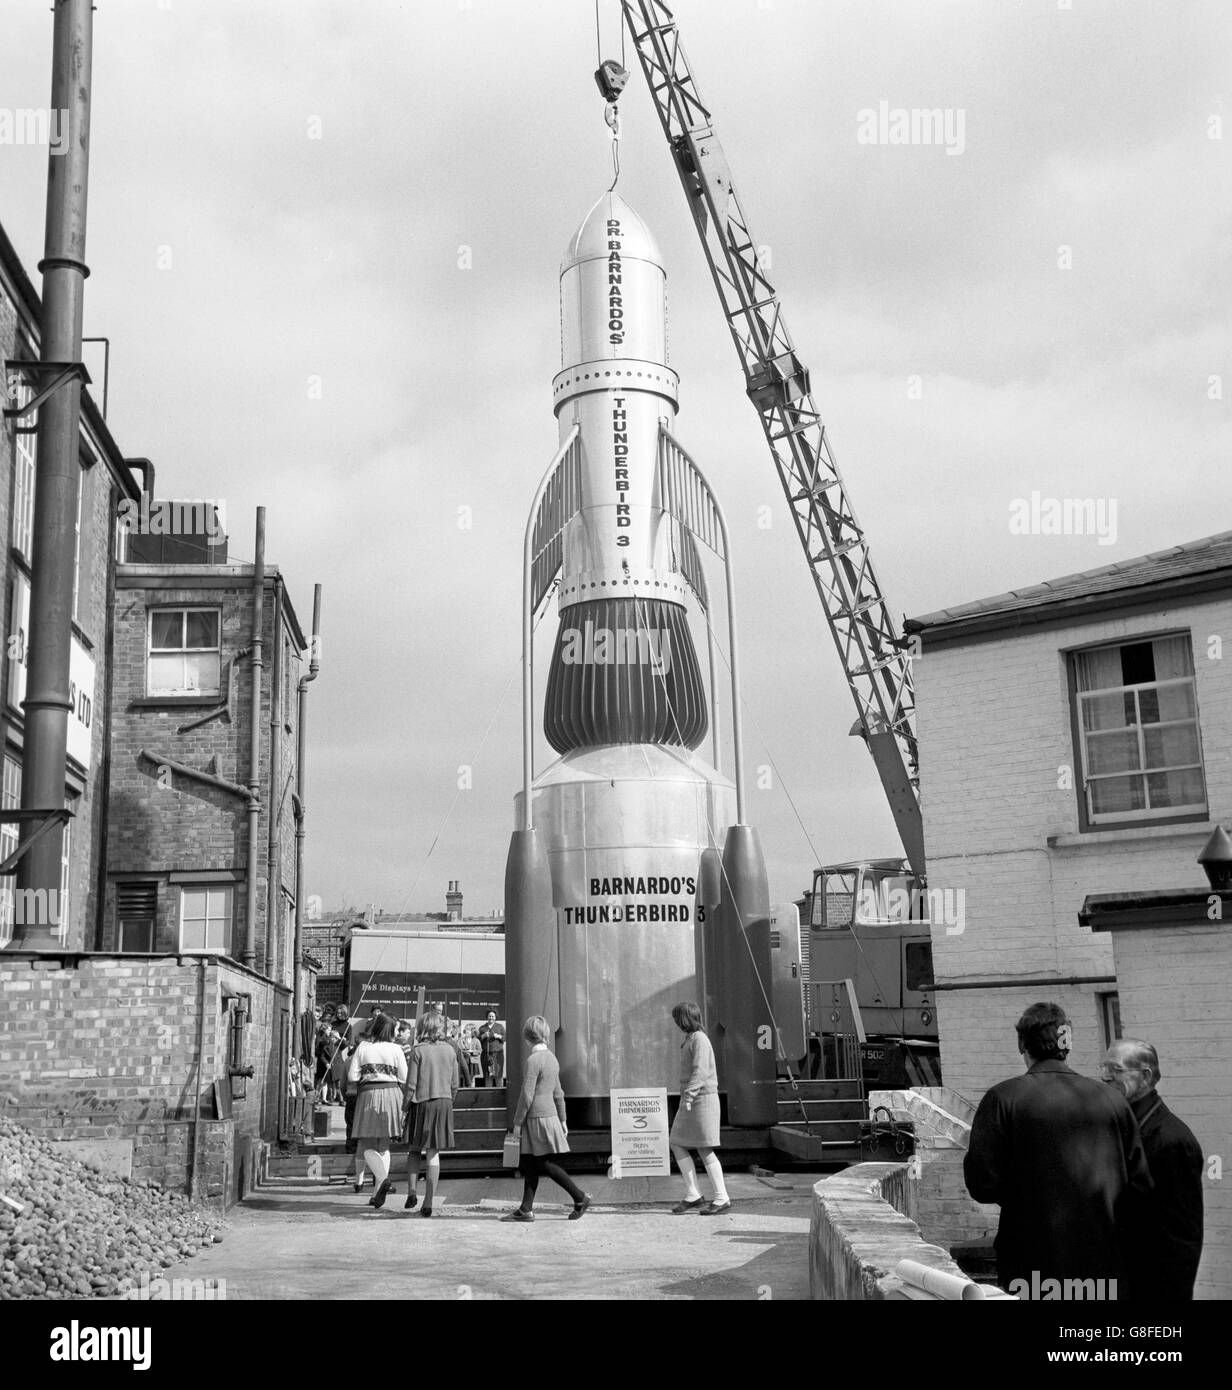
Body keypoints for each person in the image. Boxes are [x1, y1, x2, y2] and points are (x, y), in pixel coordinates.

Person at [964, 1002, 1152, 1298]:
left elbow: (982, 1185)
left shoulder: (1002, 1098)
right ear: (1068, 1045)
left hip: (1031, 1265)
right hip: (1102, 1264)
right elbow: (1139, 1187)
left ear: (1021, 1045)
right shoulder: (1114, 1101)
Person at [1101, 1039, 1204, 1300]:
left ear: (1145, 1076)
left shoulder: (1172, 1139)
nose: (1105, 1077)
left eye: (1115, 1068)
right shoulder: (1126, 1126)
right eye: (1104, 1067)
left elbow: (1181, 1239)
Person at [501, 1015, 590, 1223]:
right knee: (532, 1162)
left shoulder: (532, 1061)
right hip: (550, 1115)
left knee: (542, 1163)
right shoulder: (551, 1058)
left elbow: (527, 1094)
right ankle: (526, 1209)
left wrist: (517, 1122)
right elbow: (559, 1092)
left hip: (536, 1117)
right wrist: (563, 1119)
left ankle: (580, 1197)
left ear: (527, 1037)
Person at [667, 1001, 730, 1215]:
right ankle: (694, 1194)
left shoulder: (699, 1040)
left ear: (685, 1019)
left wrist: (689, 1096)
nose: (676, 1023)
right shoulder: (692, 1038)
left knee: (704, 1147)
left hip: (701, 1100)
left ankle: (721, 1197)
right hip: (694, 1099)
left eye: (678, 1019)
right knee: (676, 1142)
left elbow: (701, 1071)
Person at [346, 1013, 407, 1208]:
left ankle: (381, 1184)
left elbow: (352, 1076)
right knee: (384, 1145)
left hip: (369, 1094)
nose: (397, 1032)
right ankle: (381, 1184)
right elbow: (404, 1078)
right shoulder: (396, 1049)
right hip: (392, 1094)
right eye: (396, 1028)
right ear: (389, 1030)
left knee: (367, 1144)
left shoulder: (363, 1048)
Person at [402, 1012, 459, 1216]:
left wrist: (404, 1108)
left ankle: (411, 1191)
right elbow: (455, 1084)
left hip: (421, 1103)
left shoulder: (418, 1051)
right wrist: (448, 1100)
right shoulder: (450, 1051)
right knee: (434, 1152)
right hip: (443, 1102)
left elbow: (411, 1085)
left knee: (414, 1149)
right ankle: (428, 1202)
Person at [478, 1011, 505, 1087]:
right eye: (489, 1016)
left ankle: (500, 1094)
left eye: (493, 1016)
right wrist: (483, 1036)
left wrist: (499, 1036)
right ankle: (488, 1094)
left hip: (498, 1055)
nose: (491, 1018)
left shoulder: (500, 1027)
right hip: (486, 1056)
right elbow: (477, 1040)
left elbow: (505, 1037)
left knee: (498, 1075)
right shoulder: (482, 1028)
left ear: (495, 1017)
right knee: (488, 1076)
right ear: (487, 1017)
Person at [445, 1021, 474, 1088]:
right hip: (450, 1080)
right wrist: (468, 1083)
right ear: (452, 1030)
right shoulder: (453, 1044)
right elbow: (464, 1066)